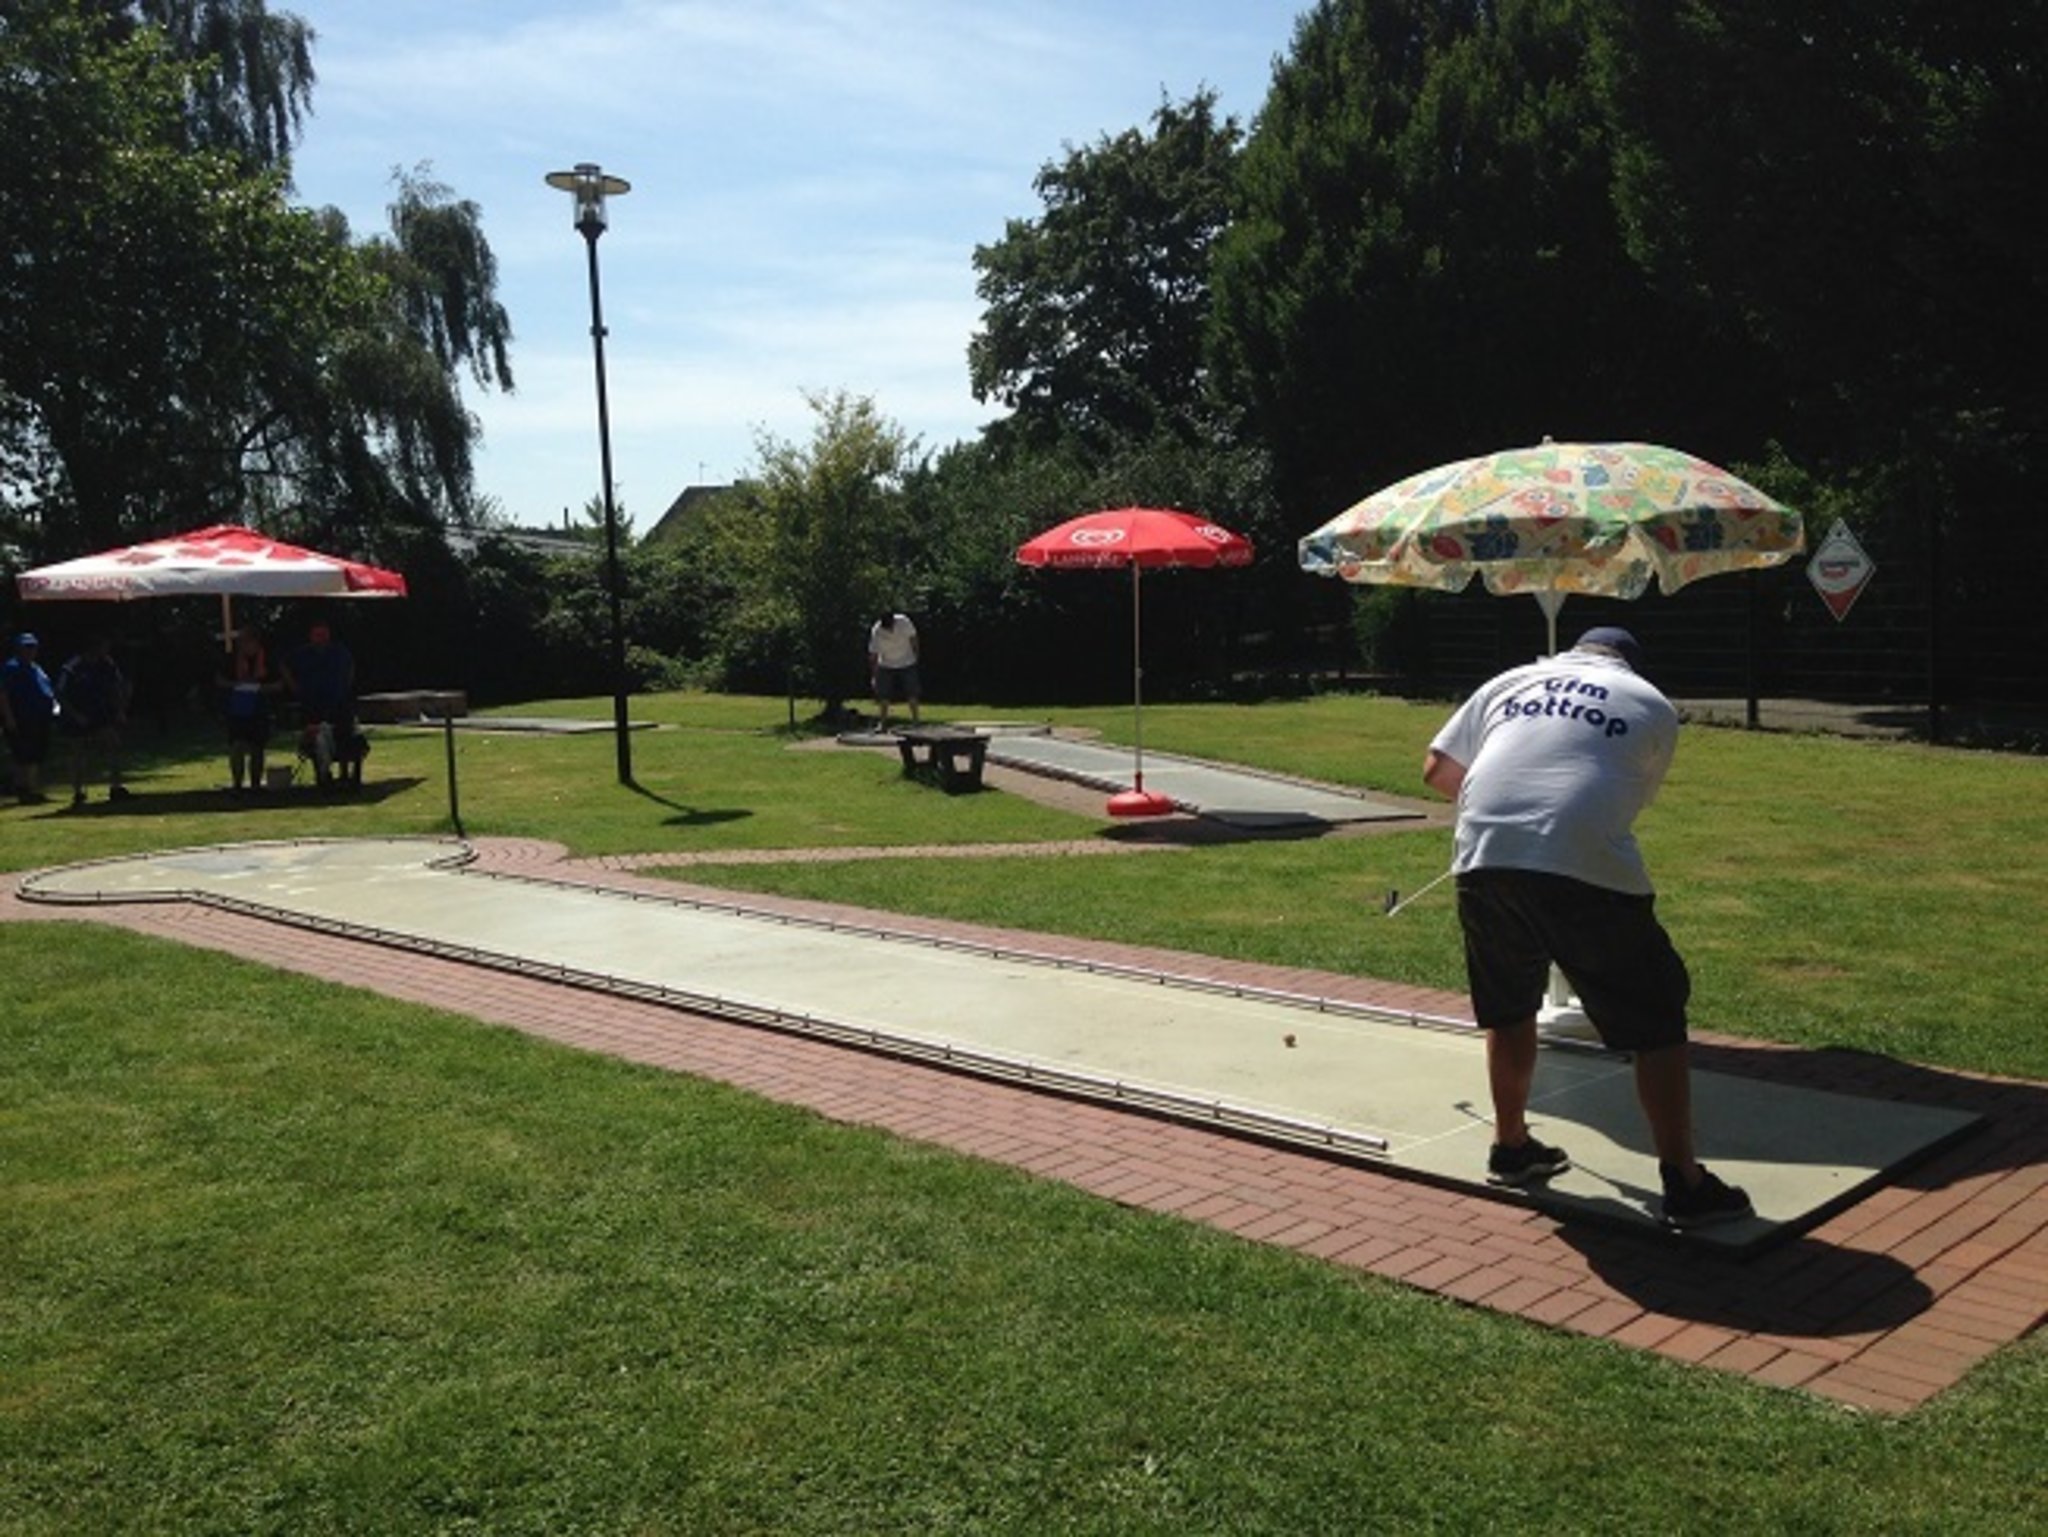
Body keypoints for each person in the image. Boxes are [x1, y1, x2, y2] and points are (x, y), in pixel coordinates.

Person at [1420, 625, 1753, 1229]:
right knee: (1655, 1018)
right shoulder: (1650, 703)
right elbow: (1625, 795)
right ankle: (1684, 1180)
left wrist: (1512, 805)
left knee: (1509, 1007)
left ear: (1572, 653)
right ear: (1630, 664)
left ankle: (1511, 1145)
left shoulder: (1509, 681)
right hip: (1583, 865)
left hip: (1484, 858)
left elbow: (1438, 771)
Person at [282, 619, 359, 791]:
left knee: (344, 736)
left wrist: (345, 686)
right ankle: (322, 775)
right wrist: (294, 686)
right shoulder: (302, 653)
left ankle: (344, 774)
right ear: (311, 636)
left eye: (324, 634)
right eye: (317, 635)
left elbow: (351, 665)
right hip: (312, 705)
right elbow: (284, 665)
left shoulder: (339, 651)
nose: (321, 638)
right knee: (317, 739)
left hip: (337, 704)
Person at [56, 634, 133, 807]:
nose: (106, 650)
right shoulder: (72, 666)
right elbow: (60, 693)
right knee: (78, 753)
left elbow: (116, 686)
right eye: (103, 646)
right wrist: (75, 715)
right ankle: (78, 792)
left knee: (113, 744)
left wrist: (119, 710)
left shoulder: (107, 664)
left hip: (100, 713)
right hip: (77, 715)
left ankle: (116, 787)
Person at [217, 625, 278, 795]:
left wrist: (259, 688)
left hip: (259, 707)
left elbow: (278, 684)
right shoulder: (231, 659)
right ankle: (237, 784)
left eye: (247, 642)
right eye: (242, 642)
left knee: (257, 747)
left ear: (256, 642)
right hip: (237, 708)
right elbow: (219, 680)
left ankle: (255, 785)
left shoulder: (267, 659)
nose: (244, 645)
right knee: (237, 746)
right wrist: (236, 685)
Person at [2, 632, 59, 803]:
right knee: (24, 754)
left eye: (33, 647)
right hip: (22, 717)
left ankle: (30, 787)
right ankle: (24, 789)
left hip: (40, 718)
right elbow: (3, 694)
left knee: (37, 754)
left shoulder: (36, 668)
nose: (30, 651)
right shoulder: (11, 668)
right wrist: (9, 717)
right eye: (26, 647)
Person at [867, 611, 921, 732]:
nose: (890, 630)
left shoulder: (904, 621)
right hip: (886, 664)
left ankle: (916, 721)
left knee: (912, 692)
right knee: (883, 695)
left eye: (891, 626)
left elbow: (914, 638)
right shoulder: (877, 631)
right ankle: (882, 724)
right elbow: (873, 655)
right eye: (887, 628)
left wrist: (916, 657)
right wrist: (874, 676)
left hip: (907, 661)